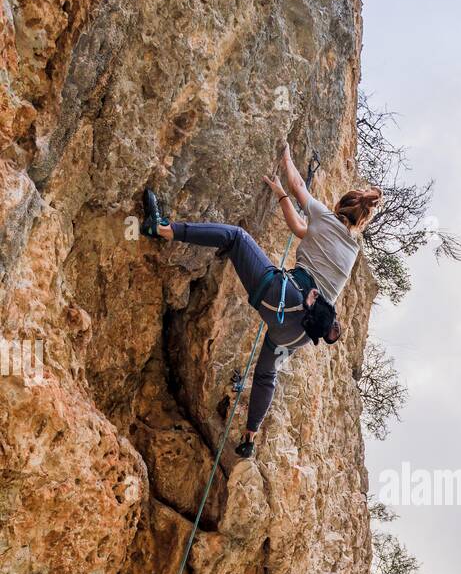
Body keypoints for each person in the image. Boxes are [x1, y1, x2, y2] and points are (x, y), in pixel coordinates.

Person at [141, 146, 381, 457]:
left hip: (283, 297)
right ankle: (249, 439)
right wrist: (281, 196)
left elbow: (299, 185)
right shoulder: (350, 252)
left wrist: (286, 156)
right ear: (359, 222)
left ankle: (161, 229)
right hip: (297, 333)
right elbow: (300, 229)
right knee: (267, 373)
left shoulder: (324, 216)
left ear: (339, 205)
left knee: (237, 238)